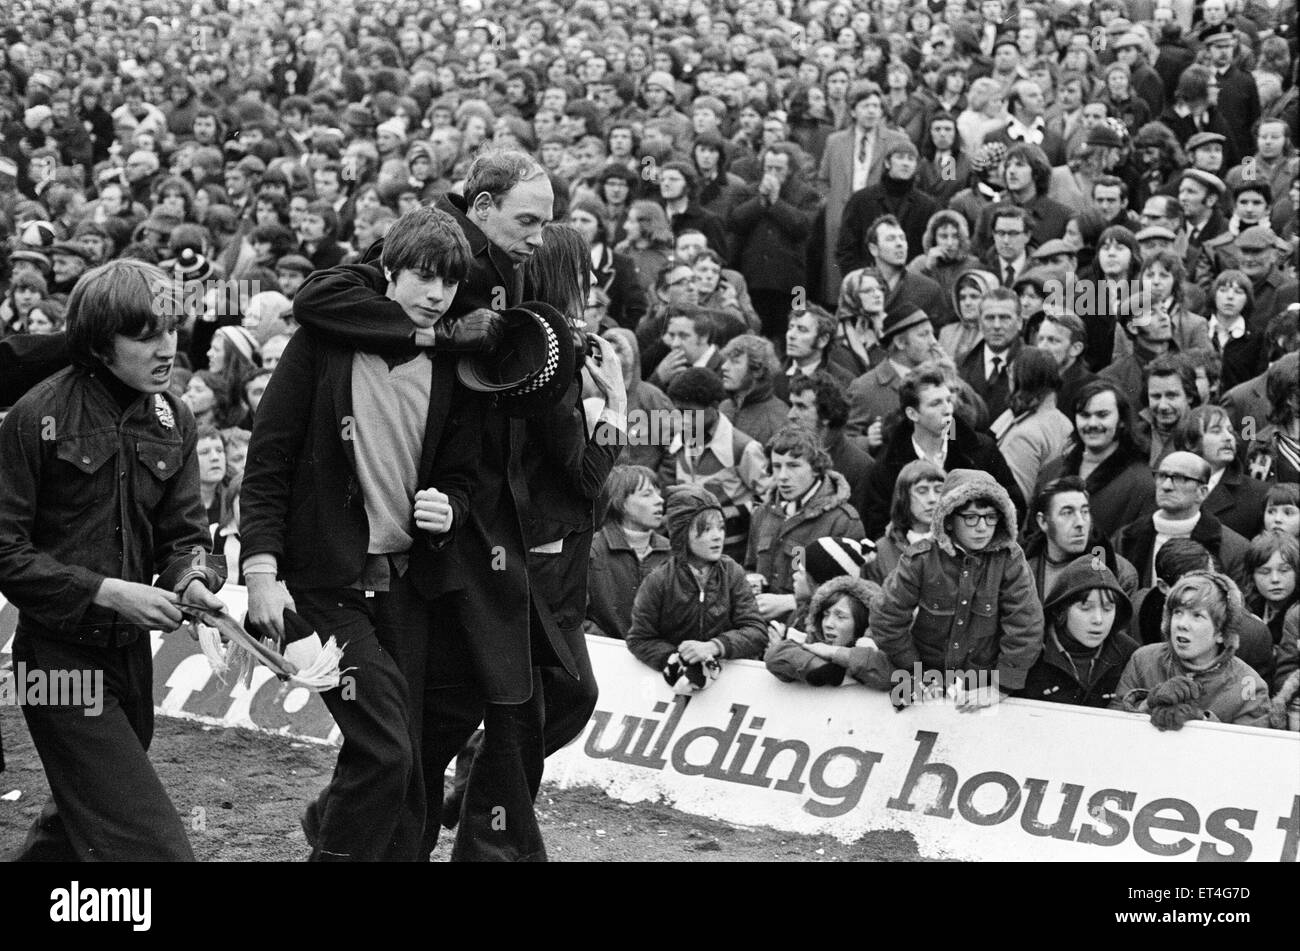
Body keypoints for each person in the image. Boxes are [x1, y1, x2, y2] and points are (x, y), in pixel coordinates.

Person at [286, 150, 586, 863]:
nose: (538, 237)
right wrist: (436, 334)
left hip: (460, 509)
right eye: (528, 220)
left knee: (480, 704)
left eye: (546, 225)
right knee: (452, 711)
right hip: (428, 527)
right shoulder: (429, 246)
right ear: (481, 208)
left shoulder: (508, 260)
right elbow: (319, 298)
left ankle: (358, 822)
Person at [239, 206, 486, 862]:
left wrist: (451, 508)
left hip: (403, 585)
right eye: (424, 277)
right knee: (386, 749)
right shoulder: (325, 340)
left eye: (450, 283)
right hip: (319, 586)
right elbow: (268, 459)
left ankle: (338, 831)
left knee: (402, 762)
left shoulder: (453, 366)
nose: (437, 295)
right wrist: (260, 571)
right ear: (388, 272)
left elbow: (463, 473)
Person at [0, 259, 227, 861]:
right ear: (101, 344)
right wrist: (107, 590)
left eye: (172, 331)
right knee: (152, 847)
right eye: (145, 335)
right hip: (55, 663)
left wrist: (196, 579)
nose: (166, 349)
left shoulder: (172, 417)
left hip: (130, 659)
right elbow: (5, 552)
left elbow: (184, 535)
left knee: (75, 830)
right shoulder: (34, 416)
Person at [870, 468, 1044, 709]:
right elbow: (886, 618)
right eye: (971, 517)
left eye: (991, 517)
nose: (982, 527)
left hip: (981, 685)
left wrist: (1001, 685)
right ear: (949, 520)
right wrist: (912, 667)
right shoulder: (920, 559)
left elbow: (1026, 624)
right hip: (923, 677)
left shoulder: (1010, 559)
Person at [626, 484, 767, 689]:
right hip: (674, 686)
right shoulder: (658, 580)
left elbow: (756, 631)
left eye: (720, 527)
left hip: (730, 684)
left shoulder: (733, 573)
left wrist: (714, 647)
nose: (718, 536)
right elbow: (639, 638)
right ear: (682, 534)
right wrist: (675, 660)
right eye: (706, 529)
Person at [1111, 570, 1269, 729]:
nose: (1182, 624)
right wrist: (1147, 705)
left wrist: (1201, 721)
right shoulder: (1143, 660)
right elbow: (1112, 725)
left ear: (1222, 633)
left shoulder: (1249, 685)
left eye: (1197, 615)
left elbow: (1249, 750)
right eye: (1177, 612)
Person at [744, 425, 864, 621]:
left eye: (793, 466)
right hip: (760, 626)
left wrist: (791, 602)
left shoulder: (842, 521)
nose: (782, 476)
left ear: (816, 469)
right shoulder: (763, 514)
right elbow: (750, 565)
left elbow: (851, 595)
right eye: (777, 466)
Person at [660, 367, 770, 564]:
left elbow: (768, 504)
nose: (685, 420)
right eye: (680, 412)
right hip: (688, 552)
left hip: (731, 554)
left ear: (713, 407)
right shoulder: (681, 440)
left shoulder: (744, 448)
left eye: (692, 414)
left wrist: (728, 513)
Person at [1113, 450, 1251, 591]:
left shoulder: (1233, 548)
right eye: (1162, 476)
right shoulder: (1124, 539)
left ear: (1202, 492)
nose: (1166, 486)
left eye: (1179, 478)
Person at [1035, 380, 1155, 541]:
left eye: (1102, 415)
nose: (1092, 423)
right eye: (1084, 415)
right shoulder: (1051, 471)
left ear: (1121, 421)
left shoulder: (1142, 483)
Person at [1016, 556, 1139, 707]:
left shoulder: (1130, 654)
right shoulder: (1025, 648)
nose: (1098, 620)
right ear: (1061, 609)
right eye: (1085, 608)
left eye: (1108, 609)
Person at [585, 465, 670, 640]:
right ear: (621, 503)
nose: (660, 500)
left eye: (658, 493)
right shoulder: (591, 552)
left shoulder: (673, 553)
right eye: (647, 494)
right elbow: (574, 618)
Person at [1023, 476, 1140, 601]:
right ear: (1043, 522)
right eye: (1067, 513)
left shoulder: (1120, 573)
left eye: (1084, 511)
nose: (1080, 523)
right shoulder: (1023, 570)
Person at [764, 574, 891, 688]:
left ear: (862, 623)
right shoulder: (815, 647)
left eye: (840, 617)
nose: (828, 624)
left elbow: (889, 677)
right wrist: (826, 671)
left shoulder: (878, 654)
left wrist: (837, 654)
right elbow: (775, 656)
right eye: (825, 615)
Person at [1172, 406, 1270, 540]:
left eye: (1230, 431)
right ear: (1190, 442)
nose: (1228, 437)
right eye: (1216, 431)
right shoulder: (1168, 486)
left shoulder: (1259, 493)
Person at [992, 347, 1074, 505]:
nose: (1008, 376)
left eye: (1011, 371)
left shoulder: (1024, 436)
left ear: (1020, 379)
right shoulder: (1065, 423)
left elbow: (1017, 500)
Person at [865, 459, 945, 586]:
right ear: (904, 497)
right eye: (922, 491)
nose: (932, 499)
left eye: (938, 490)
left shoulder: (956, 545)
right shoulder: (881, 551)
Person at [718, 334, 788, 447]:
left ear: (757, 370)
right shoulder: (724, 406)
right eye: (726, 361)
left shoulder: (777, 417)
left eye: (735, 362)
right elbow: (693, 454)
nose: (724, 367)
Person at [938, 267, 997, 366]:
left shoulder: (998, 332)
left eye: (974, 297)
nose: (967, 303)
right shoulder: (946, 332)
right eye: (962, 298)